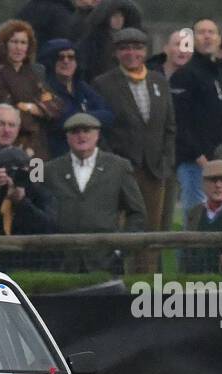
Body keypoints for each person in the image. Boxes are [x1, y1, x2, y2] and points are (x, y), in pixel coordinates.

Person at [92, 26, 172, 256]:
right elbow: (101, 129)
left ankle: (145, 282)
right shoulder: (103, 84)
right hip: (121, 168)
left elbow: (170, 127)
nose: (131, 53)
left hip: (154, 169)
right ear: (116, 53)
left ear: (145, 51)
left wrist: (166, 161)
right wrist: (111, 162)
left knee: (151, 233)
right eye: (125, 48)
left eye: (137, 48)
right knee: (121, 228)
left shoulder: (159, 81)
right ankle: (118, 282)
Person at [42, 111, 145, 272]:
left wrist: (120, 249)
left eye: (86, 130)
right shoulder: (50, 170)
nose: (81, 136)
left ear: (97, 134)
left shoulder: (118, 167)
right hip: (64, 262)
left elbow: (137, 213)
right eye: (75, 132)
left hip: (106, 260)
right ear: (67, 137)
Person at [169, 17, 222, 215]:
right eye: (201, 32)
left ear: (219, 39)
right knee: (196, 219)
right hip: (194, 163)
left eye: (211, 32)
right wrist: (199, 157)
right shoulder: (184, 75)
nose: (207, 36)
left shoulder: (220, 74)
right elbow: (178, 121)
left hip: (220, 159)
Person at [0, 19, 61, 160]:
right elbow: (9, 111)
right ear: (5, 44)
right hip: (11, 145)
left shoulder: (35, 73)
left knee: (38, 180)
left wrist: (29, 107)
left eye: (23, 43)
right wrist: (41, 113)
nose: (18, 47)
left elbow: (56, 106)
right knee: (13, 180)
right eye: (14, 42)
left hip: (39, 148)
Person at [40, 35, 112, 157]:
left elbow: (108, 115)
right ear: (50, 61)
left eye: (71, 57)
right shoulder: (44, 90)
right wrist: (89, 117)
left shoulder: (81, 87)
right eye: (60, 57)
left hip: (92, 154)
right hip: (59, 155)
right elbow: (60, 122)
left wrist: (80, 116)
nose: (66, 61)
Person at [74, 0, 142, 82]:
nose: (118, 20)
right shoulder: (95, 41)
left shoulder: (128, 40)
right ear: (107, 18)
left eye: (121, 16)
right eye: (114, 16)